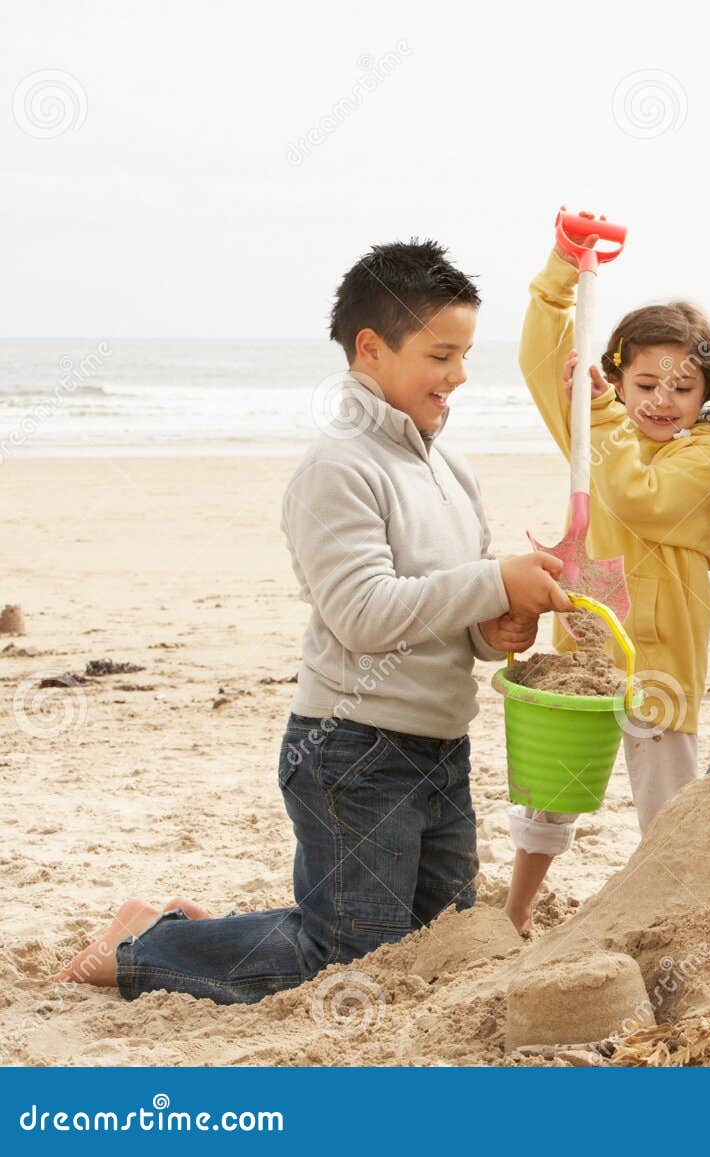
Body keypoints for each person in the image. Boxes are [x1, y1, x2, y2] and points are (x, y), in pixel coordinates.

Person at [54, 240, 571, 1001]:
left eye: (464, 354)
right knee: (346, 955)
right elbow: (364, 613)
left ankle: (175, 926)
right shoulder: (339, 467)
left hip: (441, 749)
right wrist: (493, 581)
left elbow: (451, 611)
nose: (459, 374)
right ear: (371, 348)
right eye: (441, 353)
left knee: (441, 940)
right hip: (353, 751)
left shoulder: (449, 469)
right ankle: (145, 942)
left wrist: (494, 628)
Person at [506, 236, 710, 934]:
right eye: (645, 385)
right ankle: (517, 907)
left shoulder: (705, 452)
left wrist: (598, 419)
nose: (662, 401)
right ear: (617, 380)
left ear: (706, 394)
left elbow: (641, 497)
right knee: (550, 791)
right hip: (583, 651)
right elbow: (540, 360)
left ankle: (678, 918)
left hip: (660, 662)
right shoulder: (599, 431)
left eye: (682, 388)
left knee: (667, 803)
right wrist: (562, 273)